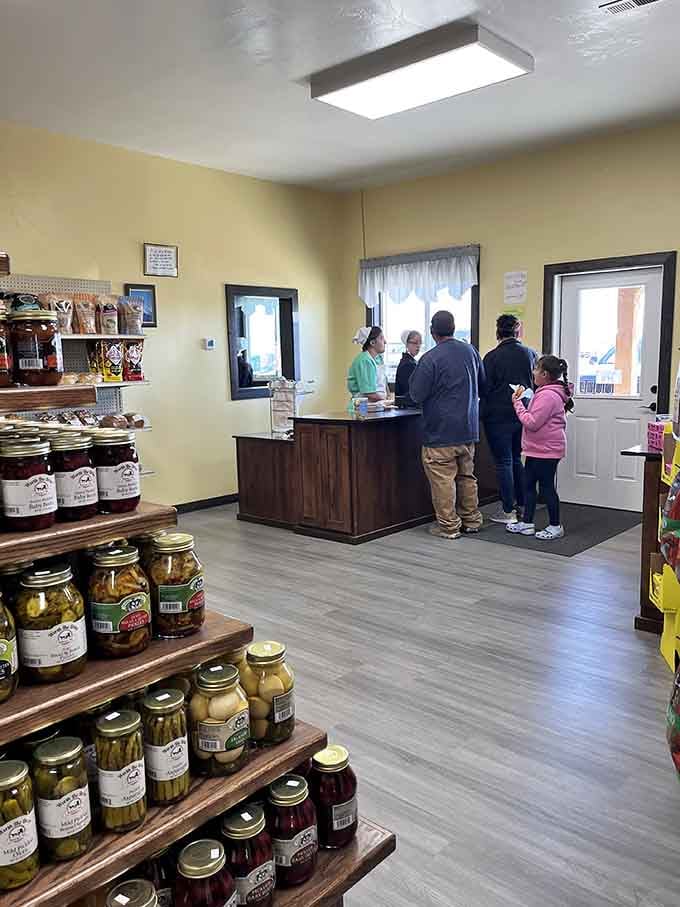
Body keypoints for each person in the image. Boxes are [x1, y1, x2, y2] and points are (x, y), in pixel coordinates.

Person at [409, 310, 486, 540]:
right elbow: (482, 384)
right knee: (466, 476)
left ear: (432, 332)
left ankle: (449, 526)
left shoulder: (430, 358)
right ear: (453, 328)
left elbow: (416, 394)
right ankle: (472, 520)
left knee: (443, 479)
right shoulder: (471, 351)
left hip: (440, 432)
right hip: (468, 429)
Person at [506, 355, 574, 541]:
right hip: (536, 448)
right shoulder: (545, 392)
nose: (533, 372)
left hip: (548, 450)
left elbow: (532, 422)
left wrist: (517, 403)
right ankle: (527, 522)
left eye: (536, 369)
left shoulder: (548, 395)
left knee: (546, 488)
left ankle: (555, 525)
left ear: (544, 373)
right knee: (528, 484)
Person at [482, 314, 536, 524]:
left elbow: (485, 387)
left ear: (498, 332)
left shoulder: (492, 357)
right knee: (516, 458)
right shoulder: (530, 354)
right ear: (517, 331)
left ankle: (507, 510)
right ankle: (522, 506)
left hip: (497, 416)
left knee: (503, 461)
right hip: (523, 413)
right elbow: (535, 383)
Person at [347, 326, 387, 407]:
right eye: (381, 338)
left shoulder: (377, 359)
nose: (385, 342)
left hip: (374, 405)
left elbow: (382, 384)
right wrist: (387, 400)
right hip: (362, 406)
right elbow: (369, 393)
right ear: (372, 343)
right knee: (363, 419)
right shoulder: (365, 360)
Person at [394, 330, 422, 406]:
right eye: (415, 343)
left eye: (420, 343)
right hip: (407, 407)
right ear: (407, 344)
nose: (418, 346)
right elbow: (410, 390)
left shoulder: (412, 362)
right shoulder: (407, 364)